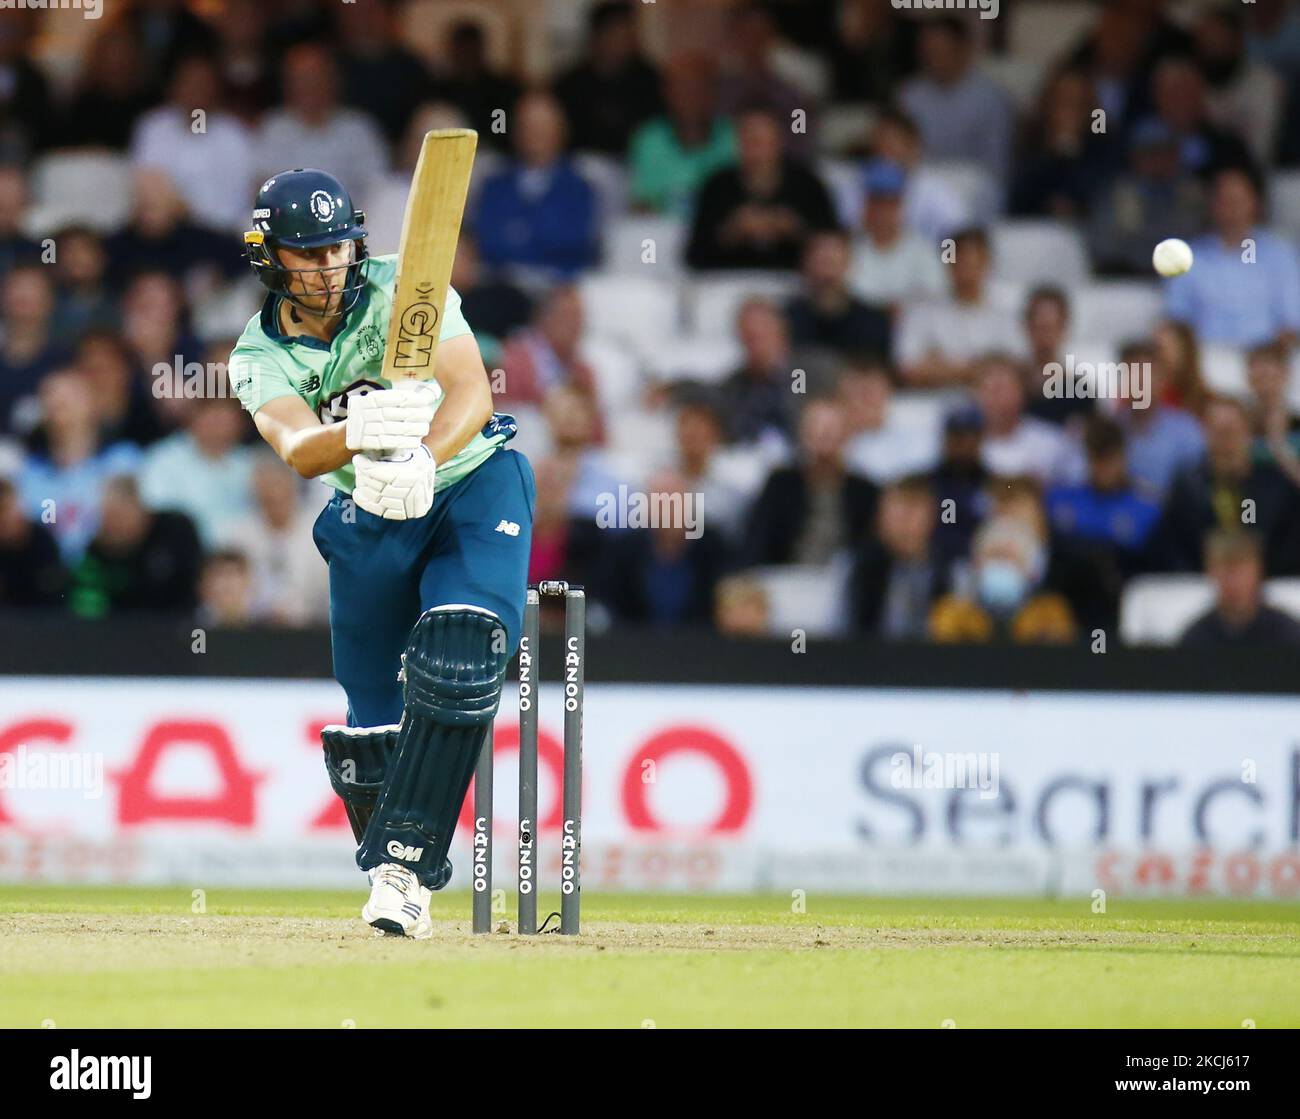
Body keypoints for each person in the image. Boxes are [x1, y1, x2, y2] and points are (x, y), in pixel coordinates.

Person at [230, 168, 533, 939]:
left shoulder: (407, 284)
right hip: (365, 510)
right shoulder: (255, 356)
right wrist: (361, 435)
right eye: (309, 254)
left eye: (337, 248)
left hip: (471, 483)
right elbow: (297, 446)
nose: (329, 266)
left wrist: (424, 456)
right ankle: (390, 867)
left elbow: (473, 390)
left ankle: (405, 871)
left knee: (461, 650)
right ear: (271, 259)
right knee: (370, 731)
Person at [686, 104, 838, 272]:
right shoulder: (717, 186)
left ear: (780, 141)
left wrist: (796, 230)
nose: (757, 151)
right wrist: (731, 232)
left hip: (795, 285)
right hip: (729, 283)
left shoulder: (808, 186)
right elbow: (693, 257)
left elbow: (835, 249)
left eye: (764, 141)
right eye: (750, 141)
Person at [1179, 530, 1300, 645]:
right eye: (1225, 572)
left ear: (1259, 571)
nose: (1233, 582)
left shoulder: (1287, 635)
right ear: (1210, 573)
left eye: (1239, 571)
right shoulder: (1196, 639)